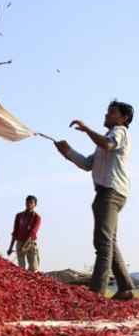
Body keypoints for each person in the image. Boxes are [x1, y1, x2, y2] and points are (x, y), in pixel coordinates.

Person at [54, 100, 135, 300]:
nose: (107, 115)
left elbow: (107, 144)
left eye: (112, 112)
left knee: (103, 242)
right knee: (109, 241)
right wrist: (68, 152)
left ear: (123, 118)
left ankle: (96, 293)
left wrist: (86, 129)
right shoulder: (109, 137)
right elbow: (88, 164)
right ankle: (125, 288)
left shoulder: (119, 132)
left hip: (111, 191)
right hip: (108, 191)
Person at [7, 195, 42, 271]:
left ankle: (30, 279)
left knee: (34, 267)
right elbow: (15, 232)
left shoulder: (37, 217)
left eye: (31, 202)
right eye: (27, 202)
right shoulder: (19, 216)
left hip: (31, 243)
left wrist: (25, 246)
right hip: (20, 242)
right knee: (21, 267)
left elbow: (32, 233)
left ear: (35, 205)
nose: (28, 204)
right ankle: (25, 281)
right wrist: (10, 247)